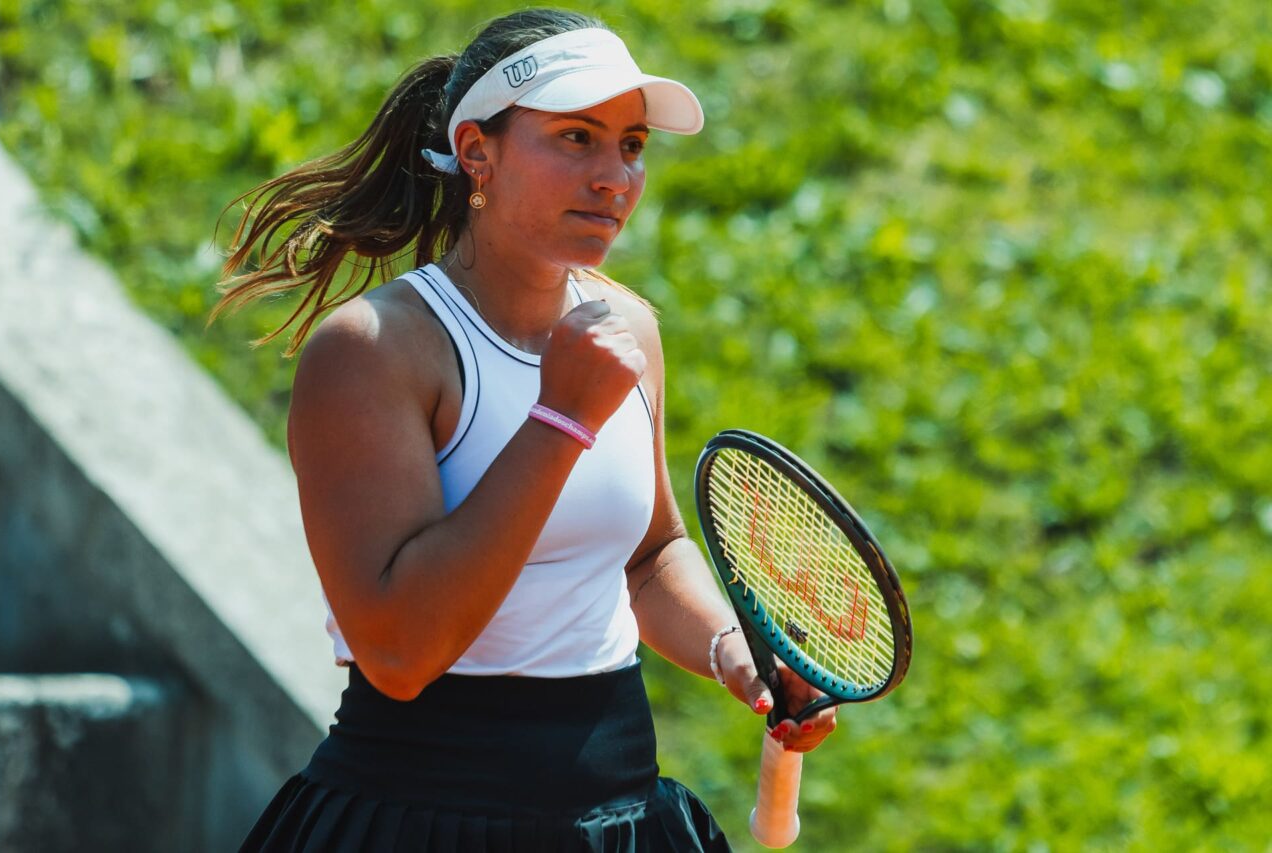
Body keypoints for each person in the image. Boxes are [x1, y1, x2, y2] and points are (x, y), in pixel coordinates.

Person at [213, 9, 838, 851]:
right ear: (478, 152)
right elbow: (399, 651)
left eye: (632, 144)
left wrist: (734, 651)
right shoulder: (371, 352)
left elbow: (648, 553)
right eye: (577, 138)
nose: (615, 175)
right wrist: (562, 417)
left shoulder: (628, 330)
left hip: (621, 813)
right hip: (416, 818)